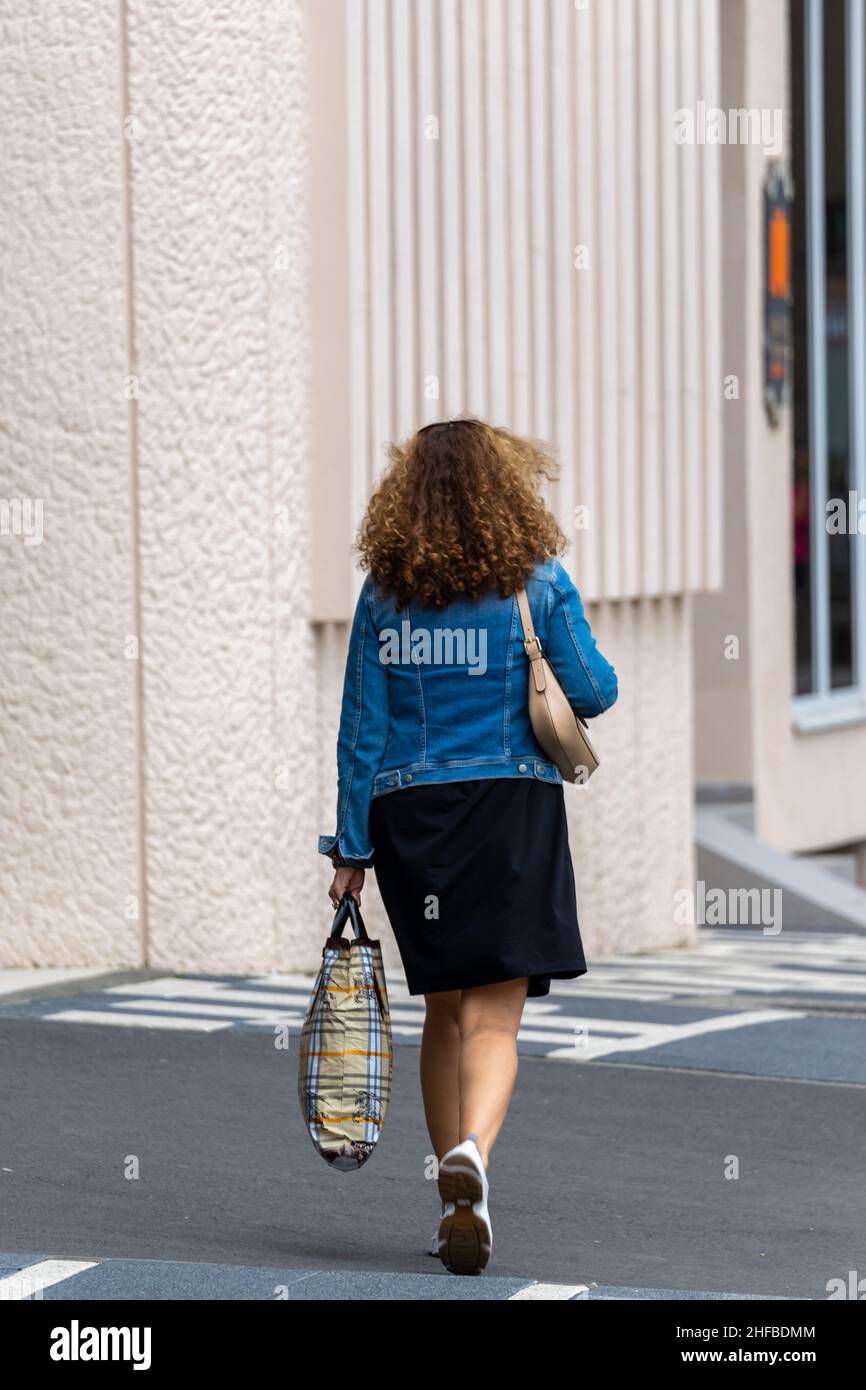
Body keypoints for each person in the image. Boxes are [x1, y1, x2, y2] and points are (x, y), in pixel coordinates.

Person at [319, 417, 618, 1276]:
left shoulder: (385, 594)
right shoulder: (538, 580)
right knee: (496, 1009)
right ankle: (474, 1163)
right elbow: (592, 690)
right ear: (503, 488)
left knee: (445, 1004)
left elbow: (360, 731)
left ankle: (451, 1180)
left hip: (413, 819)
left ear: (404, 501)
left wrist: (351, 849)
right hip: (510, 807)